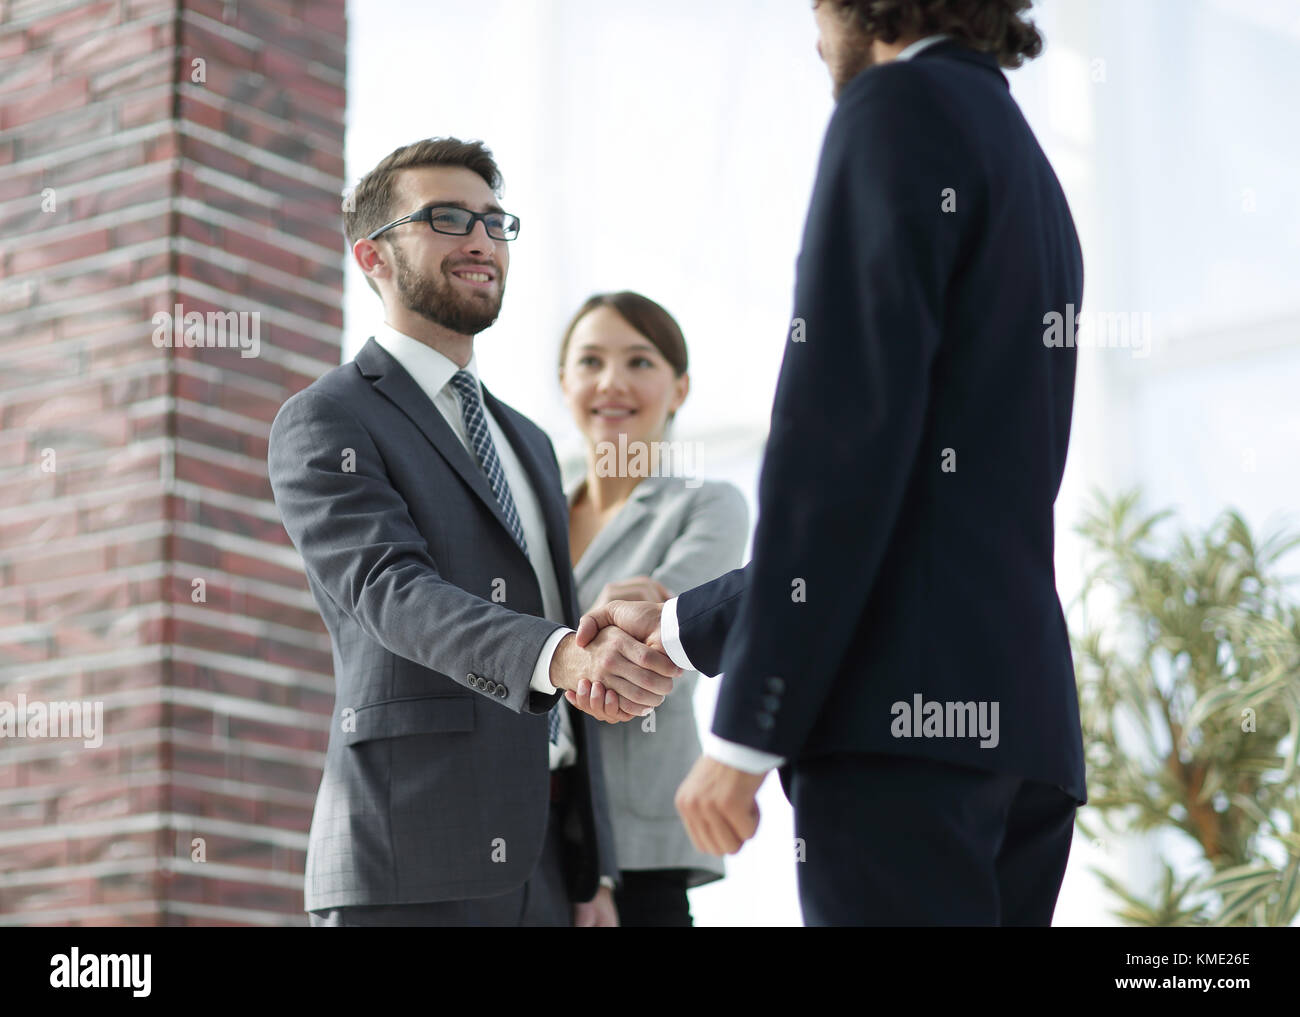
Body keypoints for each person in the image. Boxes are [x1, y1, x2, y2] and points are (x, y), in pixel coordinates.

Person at [573, 0, 1088, 926]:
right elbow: (919, 500)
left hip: (899, 732)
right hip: (1023, 727)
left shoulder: (893, 109)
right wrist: (685, 624)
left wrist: (743, 738)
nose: (812, 31)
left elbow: (841, 452)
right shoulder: (1026, 159)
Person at [268, 138, 681, 927]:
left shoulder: (527, 440)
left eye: (495, 221)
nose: (482, 240)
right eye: (448, 218)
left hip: (548, 864)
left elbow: (556, 614)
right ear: (372, 256)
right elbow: (392, 592)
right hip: (411, 855)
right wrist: (563, 655)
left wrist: (591, 867)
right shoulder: (327, 418)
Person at [558, 291, 749, 925]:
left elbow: (656, 647)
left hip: (638, 848)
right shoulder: (533, 512)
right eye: (591, 361)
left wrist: (548, 652)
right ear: (564, 381)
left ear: (680, 387)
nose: (612, 382)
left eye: (639, 361)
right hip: (525, 835)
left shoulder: (708, 506)